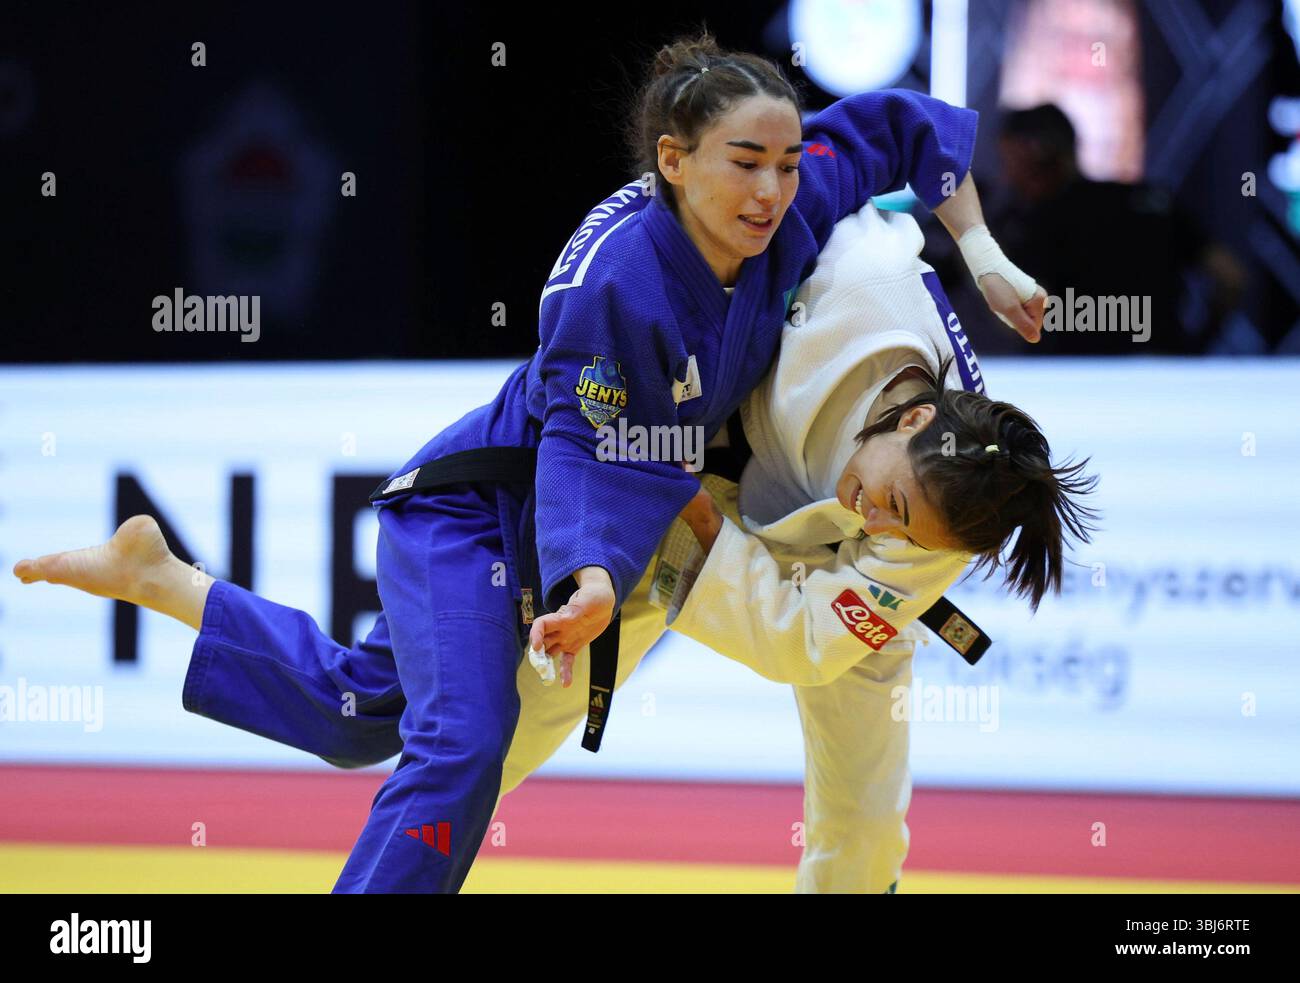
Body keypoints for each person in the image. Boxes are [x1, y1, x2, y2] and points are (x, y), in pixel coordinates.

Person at [11, 32, 1044, 893]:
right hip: (496, 511)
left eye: (784, 164)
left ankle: (167, 579)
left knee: (363, 716)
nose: (772, 186)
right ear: (674, 160)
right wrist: (589, 574)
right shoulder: (624, 285)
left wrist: (984, 252)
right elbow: (588, 450)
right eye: (747, 164)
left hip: (628, 520)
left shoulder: (794, 215)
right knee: (463, 747)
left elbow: (901, 128)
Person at [654, 199, 1098, 891]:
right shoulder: (864, 276)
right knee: (540, 696)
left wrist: (706, 528)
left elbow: (803, 639)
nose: (881, 526)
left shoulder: (942, 526)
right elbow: (797, 182)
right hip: (690, 444)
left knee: (863, 824)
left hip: (778, 538)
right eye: (896, 504)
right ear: (916, 419)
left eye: (906, 533)